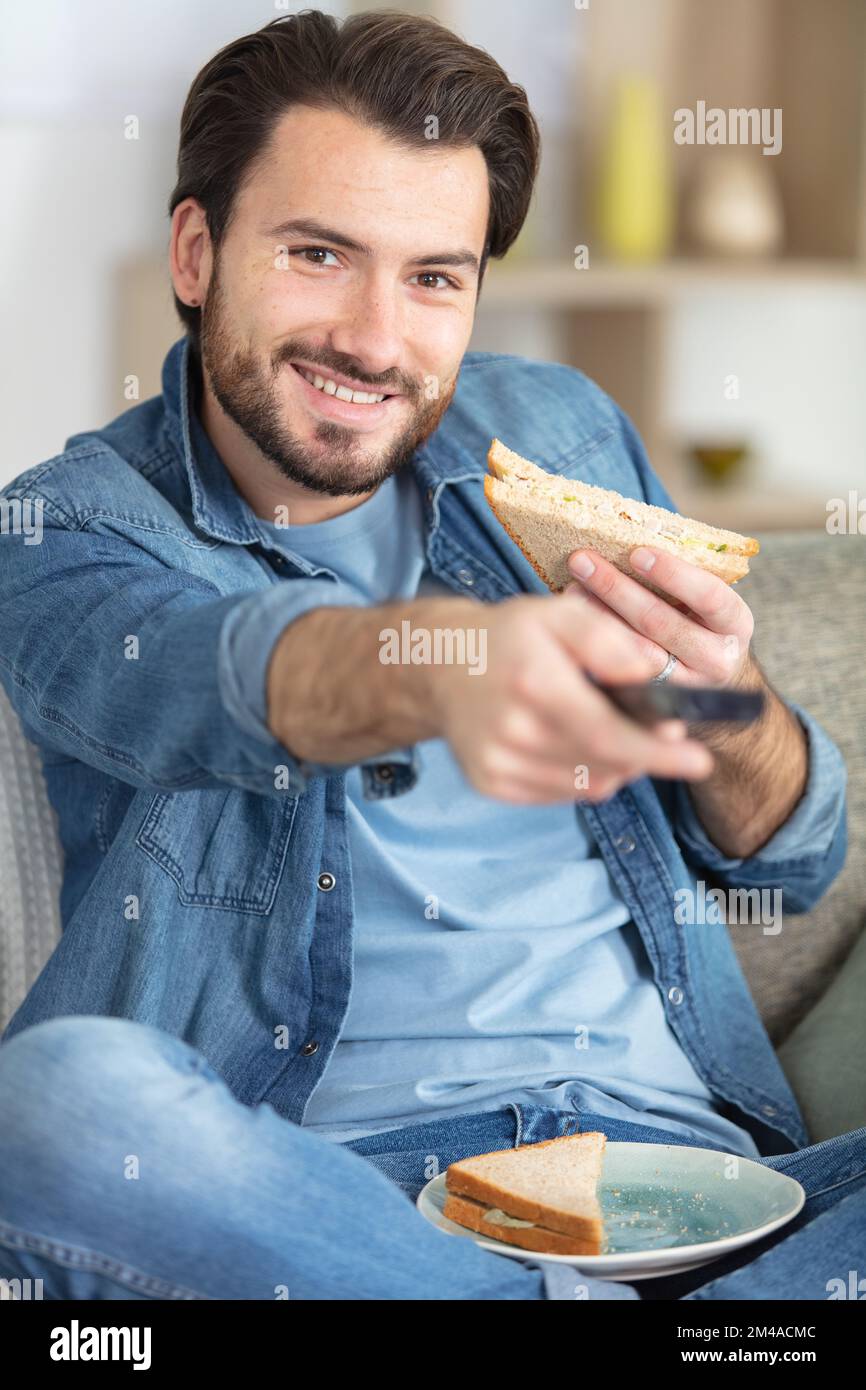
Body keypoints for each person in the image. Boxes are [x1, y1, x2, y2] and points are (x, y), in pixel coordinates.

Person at [0, 10, 861, 1302]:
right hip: (342, 1214)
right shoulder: (69, 528)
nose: (373, 338)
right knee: (59, 1100)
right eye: (317, 254)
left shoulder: (561, 432)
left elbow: (790, 862)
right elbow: (205, 672)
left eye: (434, 278)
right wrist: (442, 661)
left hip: (692, 1187)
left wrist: (726, 700)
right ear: (196, 251)